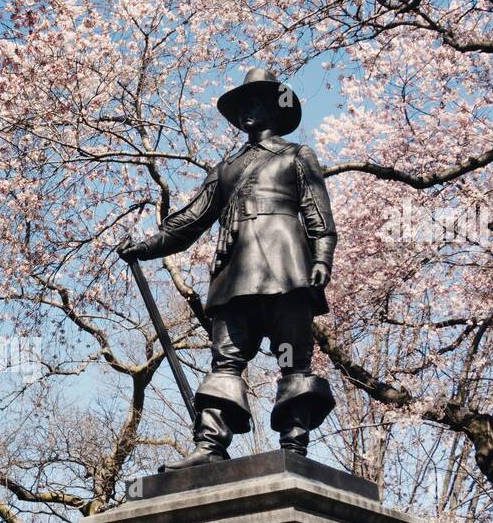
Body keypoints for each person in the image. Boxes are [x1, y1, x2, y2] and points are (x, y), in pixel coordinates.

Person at [118, 68, 337, 470]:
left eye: (255, 102)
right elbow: (188, 222)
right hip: (235, 275)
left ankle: (294, 442)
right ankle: (210, 443)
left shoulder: (296, 156)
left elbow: (320, 218)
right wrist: (144, 247)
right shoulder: (225, 170)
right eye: (241, 106)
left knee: (293, 359)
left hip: (288, 270)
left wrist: (322, 259)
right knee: (226, 360)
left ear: (274, 109)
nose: (247, 111)